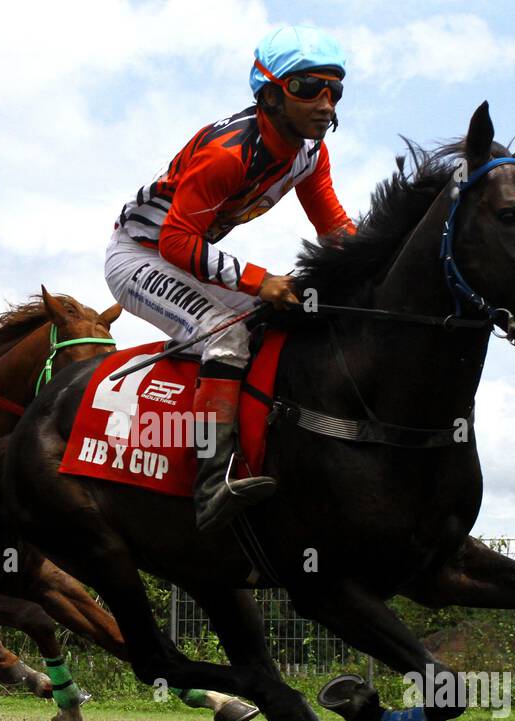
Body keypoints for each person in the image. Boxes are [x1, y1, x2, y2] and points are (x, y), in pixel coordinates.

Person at [105, 25, 355, 531]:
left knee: (289, 320)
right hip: (140, 258)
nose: (325, 104)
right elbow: (176, 242)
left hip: (183, 253)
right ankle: (210, 486)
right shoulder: (228, 153)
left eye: (335, 90)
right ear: (269, 94)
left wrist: (378, 263)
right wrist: (261, 280)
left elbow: (334, 228)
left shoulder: (311, 153)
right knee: (229, 340)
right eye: (309, 88)